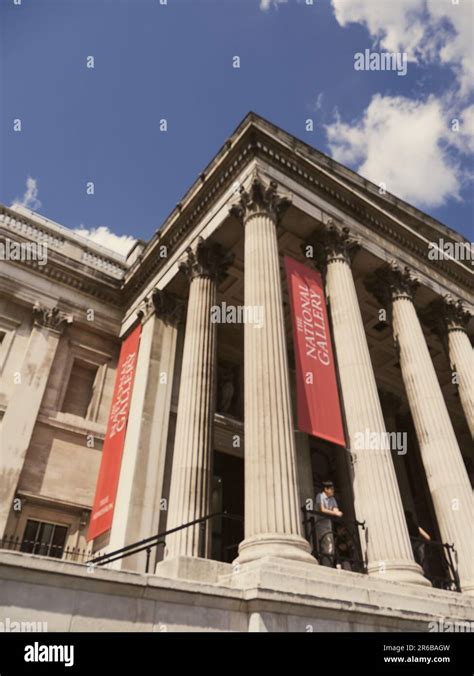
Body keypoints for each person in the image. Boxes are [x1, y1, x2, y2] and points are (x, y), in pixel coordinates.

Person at [314, 481, 343, 567]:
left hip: (327, 524)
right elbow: (321, 509)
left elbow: (335, 509)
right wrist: (335, 513)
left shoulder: (332, 499)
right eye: (331, 489)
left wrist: (337, 512)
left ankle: (328, 565)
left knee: (329, 546)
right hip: (318, 523)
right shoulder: (319, 496)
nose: (333, 490)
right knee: (319, 544)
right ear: (326, 489)